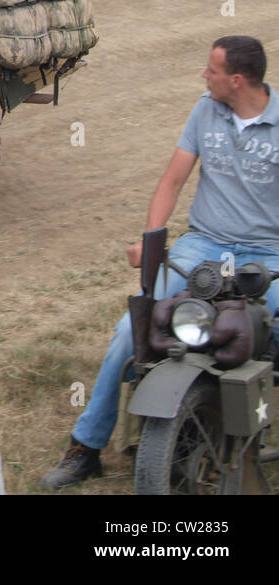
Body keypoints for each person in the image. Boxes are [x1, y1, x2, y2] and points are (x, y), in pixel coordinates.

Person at [42, 35, 279, 490]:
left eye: (210, 70)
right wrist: (149, 245)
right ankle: (86, 446)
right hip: (204, 244)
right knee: (132, 331)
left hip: (266, 253)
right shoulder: (205, 110)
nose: (203, 76)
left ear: (236, 79)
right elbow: (173, 181)